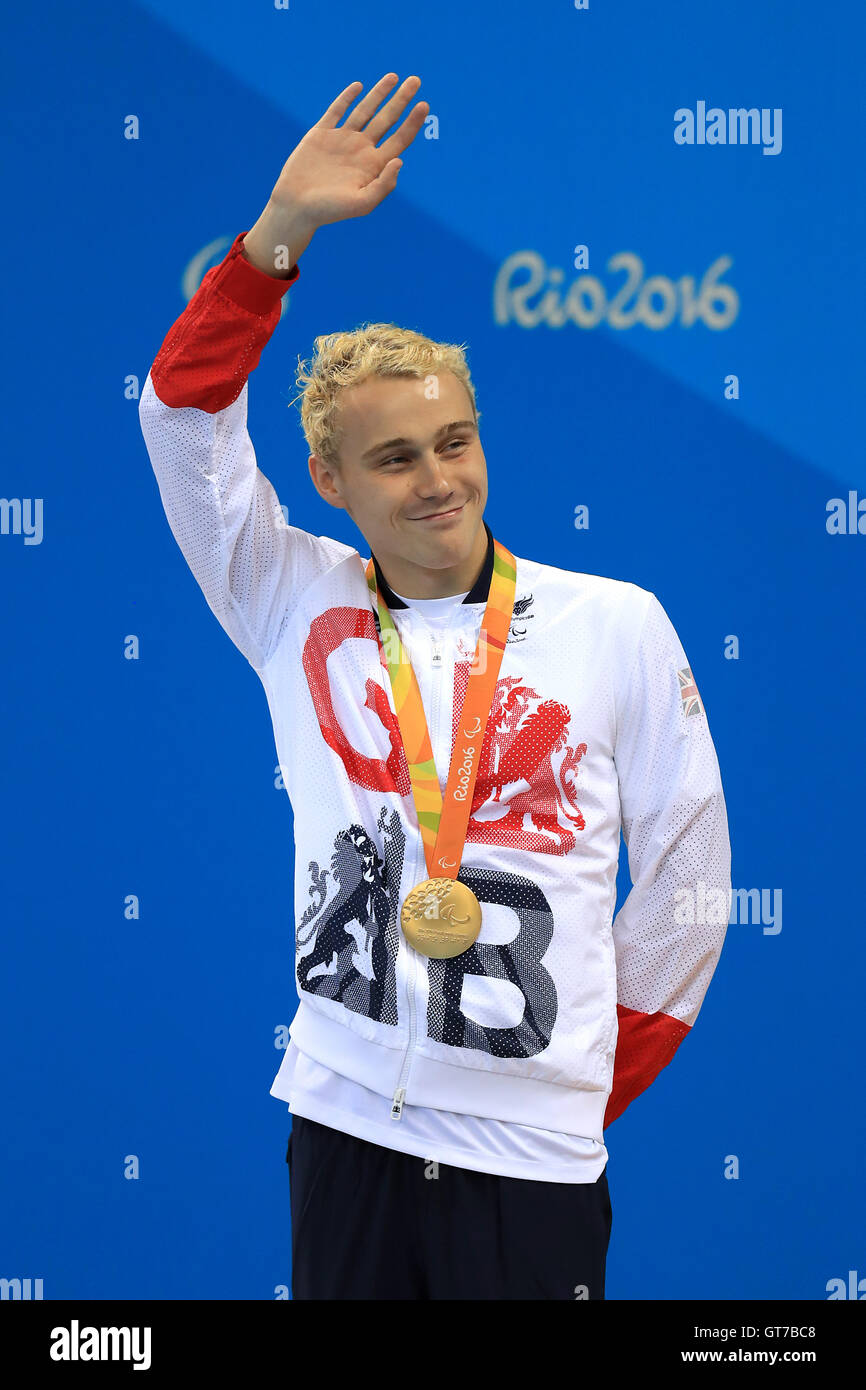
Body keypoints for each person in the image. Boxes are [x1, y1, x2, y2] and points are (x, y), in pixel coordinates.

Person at [138, 72, 732, 1301]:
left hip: (533, 1159)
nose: (436, 480)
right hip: (344, 1127)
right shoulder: (286, 592)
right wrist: (272, 240)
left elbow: (688, 885)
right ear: (330, 478)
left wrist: (566, 1076)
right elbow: (182, 418)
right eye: (393, 458)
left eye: (453, 442)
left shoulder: (611, 622)